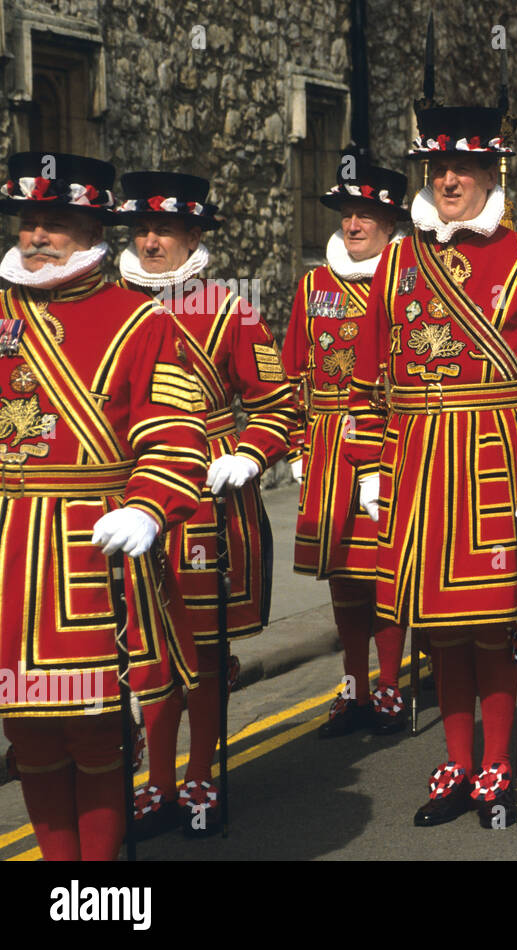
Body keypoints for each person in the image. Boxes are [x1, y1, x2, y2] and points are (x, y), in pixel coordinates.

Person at [344, 106, 517, 826]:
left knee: (493, 627)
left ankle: (497, 763)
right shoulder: (395, 260)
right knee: (438, 628)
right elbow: (366, 376)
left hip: (491, 463)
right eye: (437, 169)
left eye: (463, 169)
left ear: (492, 174)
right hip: (418, 466)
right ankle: (456, 760)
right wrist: (368, 466)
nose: (448, 180)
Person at [0, 152, 206, 859]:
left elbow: (178, 434)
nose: (37, 238)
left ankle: (97, 886)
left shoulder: (141, 321)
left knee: (92, 722)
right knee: (24, 725)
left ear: (90, 230)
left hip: (93, 550)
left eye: (55, 223)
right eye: (29, 222)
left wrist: (149, 508)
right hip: (8, 558)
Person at [116, 170, 294, 836]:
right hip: (129, 487)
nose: (150, 240)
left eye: (163, 228)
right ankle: (156, 781)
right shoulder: (110, 306)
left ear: (193, 234)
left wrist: (247, 455)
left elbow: (277, 405)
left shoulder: (231, 308)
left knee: (206, 649)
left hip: (207, 496)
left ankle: (199, 776)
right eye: (140, 228)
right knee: (147, 651)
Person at [282, 153, 410, 738]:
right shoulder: (312, 286)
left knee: (387, 573)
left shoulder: (409, 281)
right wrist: (298, 448)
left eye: (364, 214)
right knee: (344, 576)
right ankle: (353, 685)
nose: (352, 224)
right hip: (331, 448)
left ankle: (391, 686)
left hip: (394, 443)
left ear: (390, 222)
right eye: (346, 213)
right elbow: (290, 375)